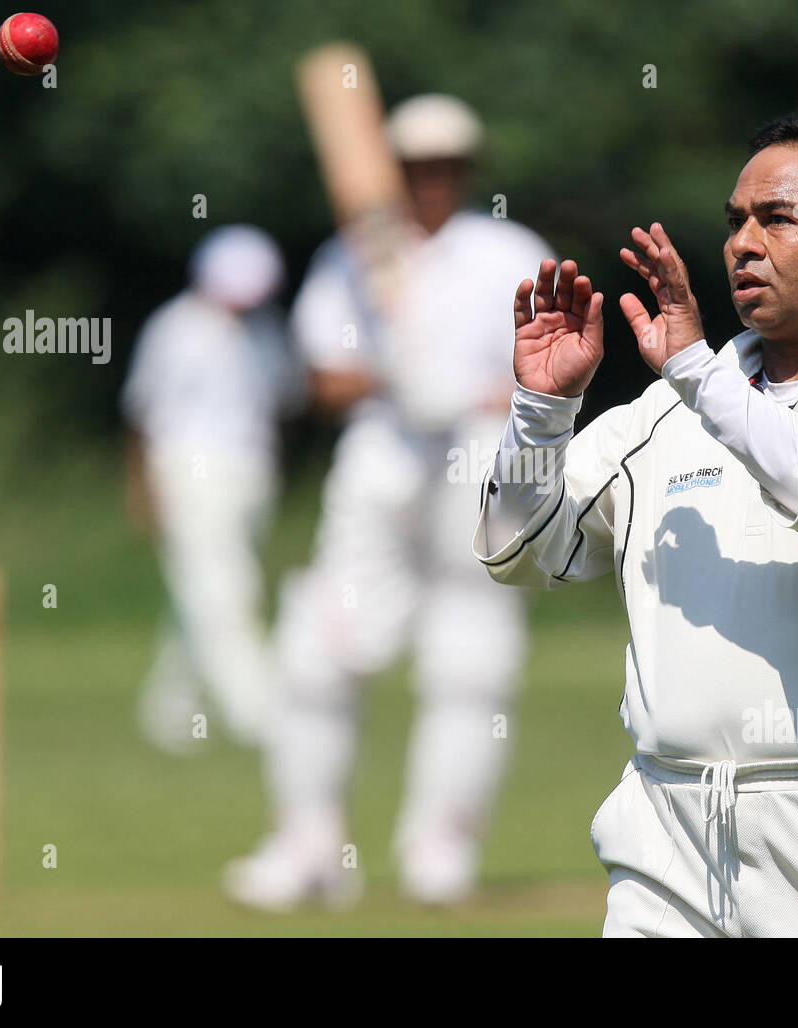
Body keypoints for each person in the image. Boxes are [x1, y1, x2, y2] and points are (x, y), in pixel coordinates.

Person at [474, 114, 798, 937]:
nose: (743, 244)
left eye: (777, 218)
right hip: (666, 835)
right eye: (734, 222)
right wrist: (544, 409)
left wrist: (696, 374)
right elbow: (520, 549)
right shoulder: (664, 412)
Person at [223, 95, 555, 907]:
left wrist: (483, 393)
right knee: (318, 652)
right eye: (415, 167)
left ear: (466, 170)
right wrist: (393, 378)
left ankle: (441, 847)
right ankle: (309, 847)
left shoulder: (508, 249)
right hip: (383, 456)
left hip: (485, 460)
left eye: (445, 166)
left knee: (471, 662)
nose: (430, 181)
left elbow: (554, 365)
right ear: (394, 169)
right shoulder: (356, 255)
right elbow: (319, 374)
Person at [122, 225, 304, 753]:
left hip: (251, 474)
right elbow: (141, 416)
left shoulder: (265, 330)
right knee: (225, 593)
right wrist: (142, 488)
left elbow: (281, 407)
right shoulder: (174, 329)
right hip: (187, 471)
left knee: (197, 593)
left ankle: (170, 709)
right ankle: (265, 716)